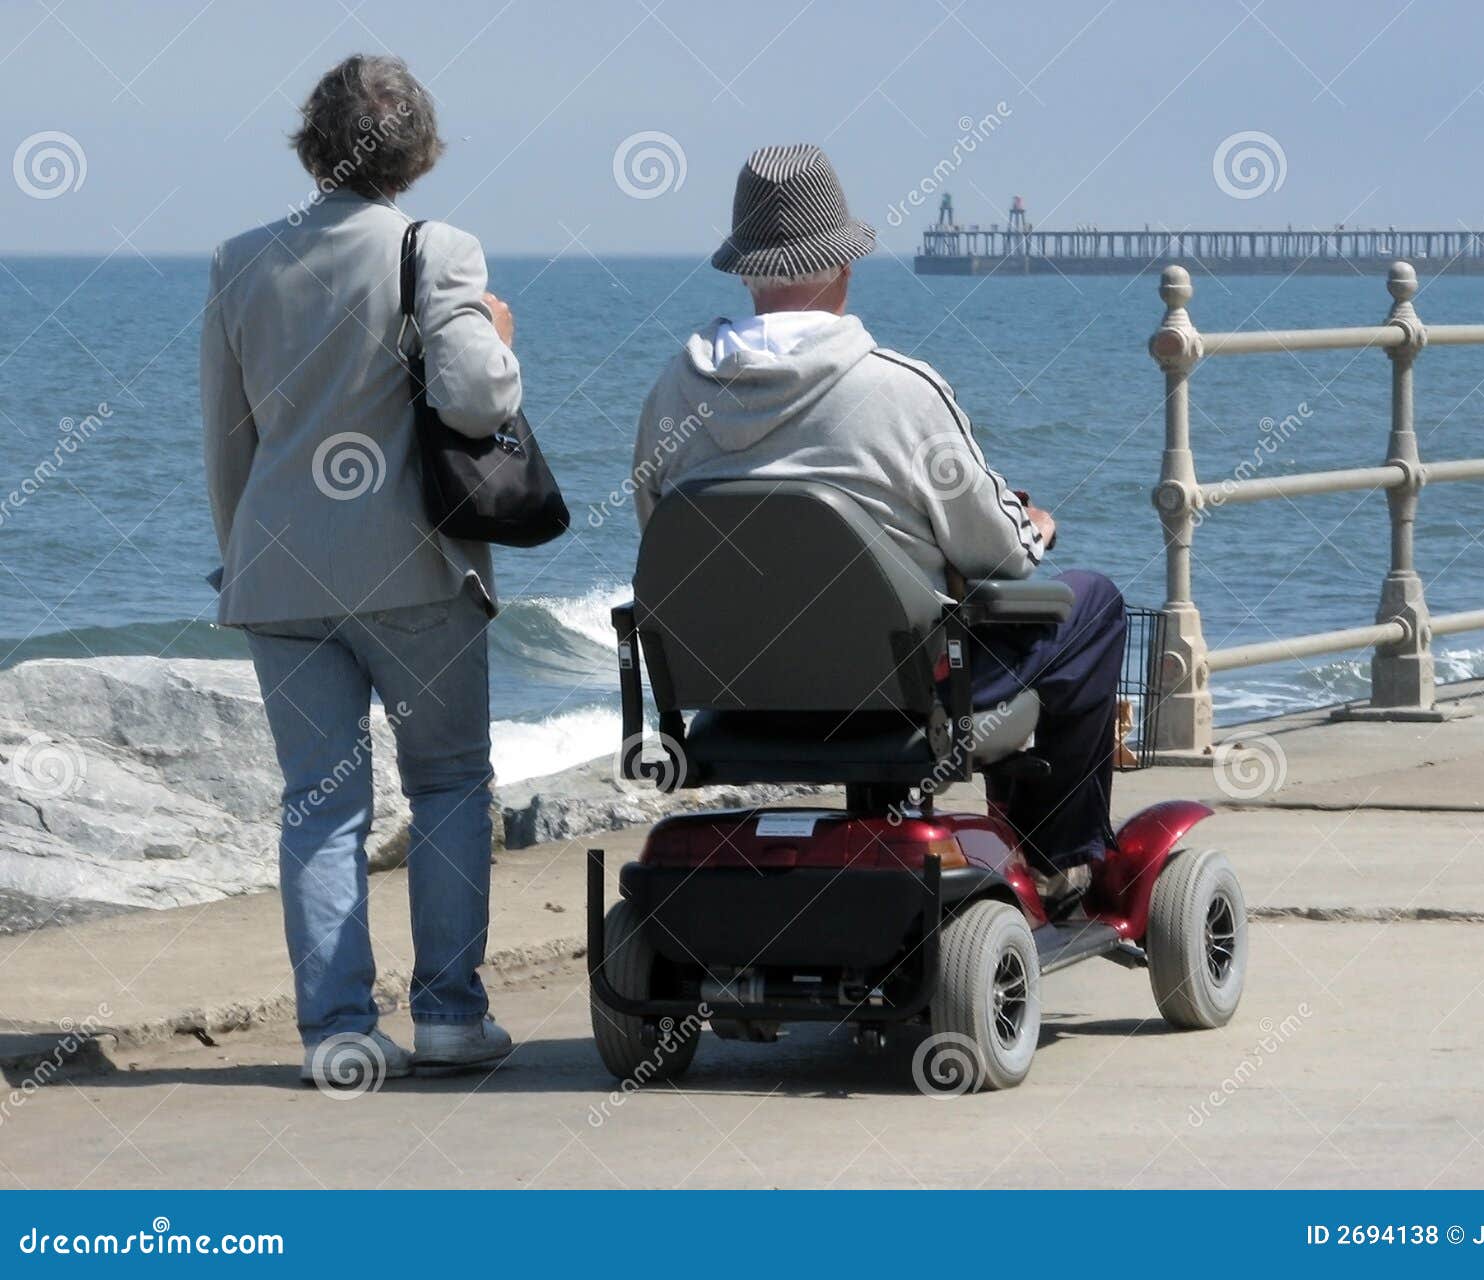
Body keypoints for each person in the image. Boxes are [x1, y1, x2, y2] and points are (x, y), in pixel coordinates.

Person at [632, 144, 1126, 912]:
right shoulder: (900, 393)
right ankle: (1063, 856)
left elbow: (659, 541)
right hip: (897, 696)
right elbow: (998, 555)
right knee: (1090, 602)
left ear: (746, 270)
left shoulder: (672, 393)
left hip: (742, 692)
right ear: (844, 266)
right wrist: (1033, 529)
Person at [201, 54, 519, 1084]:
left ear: (314, 141)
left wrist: (240, 559)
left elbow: (226, 440)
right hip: (416, 571)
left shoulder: (239, 260)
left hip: (279, 573)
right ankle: (449, 1017)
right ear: (418, 146)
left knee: (319, 805)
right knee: (450, 782)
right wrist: (501, 342)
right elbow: (476, 400)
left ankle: (338, 1032)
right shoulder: (439, 247)